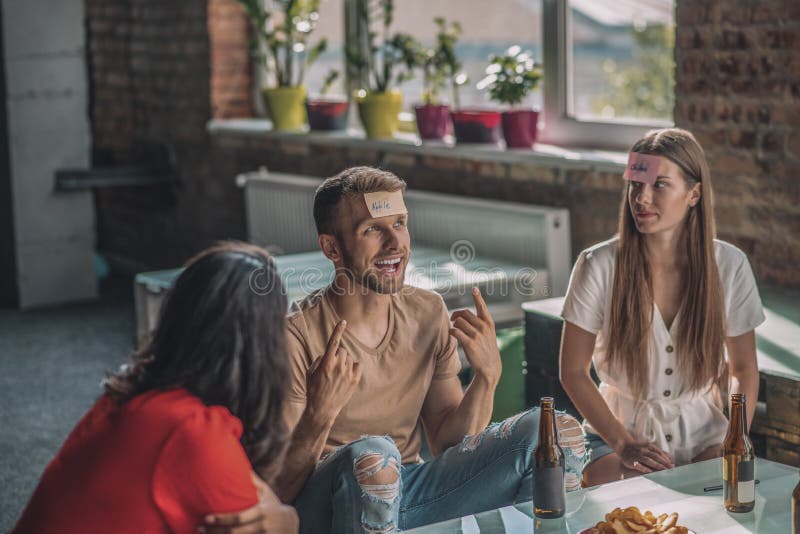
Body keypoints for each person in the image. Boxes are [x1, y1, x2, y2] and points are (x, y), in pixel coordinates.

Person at [206, 166, 586, 533]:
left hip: (410, 488)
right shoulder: (293, 337)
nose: (395, 243)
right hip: (326, 507)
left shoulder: (428, 311)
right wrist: (319, 414)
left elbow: (448, 444)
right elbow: (277, 492)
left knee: (556, 433)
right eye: (373, 229)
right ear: (332, 247)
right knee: (373, 458)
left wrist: (486, 379)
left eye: (400, 223)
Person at [11, 242, 298, 534]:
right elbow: (266, 519)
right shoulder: (194, 433)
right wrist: (289, 524)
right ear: (265, 346)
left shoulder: (130, 397)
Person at [559, 128, 764, 487]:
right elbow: (572, 371)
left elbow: (744, 368)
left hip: (708, 435)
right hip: (614, 439)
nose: (641, 197)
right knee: (636, 500)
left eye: (659, 185)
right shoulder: (597, 264)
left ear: (694, 193)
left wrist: (732, 439)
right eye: (635, 184)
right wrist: (624, 444)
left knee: (718, 501)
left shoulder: (730, 266)